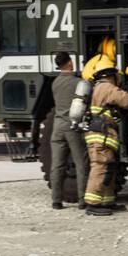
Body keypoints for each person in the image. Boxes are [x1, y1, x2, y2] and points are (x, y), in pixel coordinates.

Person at [81, 65, 128, 215]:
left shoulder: (95, 87)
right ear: (112, 76)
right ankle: (92, 204)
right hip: (101, 136)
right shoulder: (106, 88)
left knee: (109, 168)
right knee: (100, 167)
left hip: (102, 135)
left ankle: (107, 202)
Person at [48, 51, 87, 210]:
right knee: (81, 163)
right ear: (70, 63)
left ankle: (56, 200)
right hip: (72, 127)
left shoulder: (55, 82)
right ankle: (82, 200)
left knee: (57, 165)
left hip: (57, 127)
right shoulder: (78, 82)